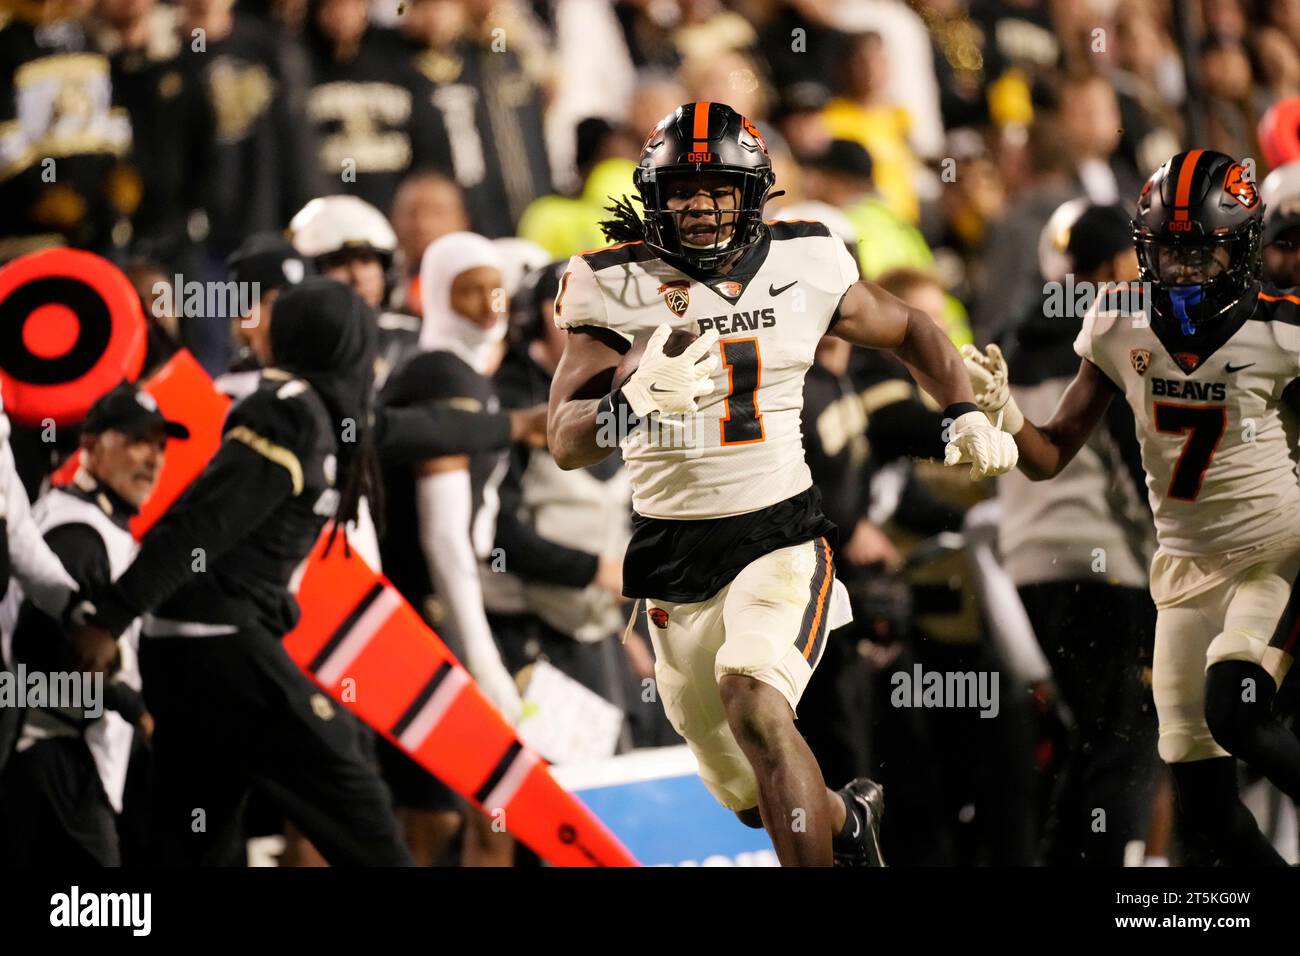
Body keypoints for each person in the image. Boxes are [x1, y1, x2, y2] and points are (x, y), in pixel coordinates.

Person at [546, 102, 1017, 867]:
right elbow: (564, 439)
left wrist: (961, 410)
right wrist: (628, 407)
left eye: (717, 188)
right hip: (670, 555)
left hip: (779, 530)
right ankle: (844, 816)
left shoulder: (809, 260)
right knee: (747, 798)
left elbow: (912, 328)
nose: (698, 206)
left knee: (755, 700)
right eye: (681, 190)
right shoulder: (614, 283)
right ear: (653, 196)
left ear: (754, 191)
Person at [961, 150, 1300, 866]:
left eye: (1199, 250)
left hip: (1272, 558)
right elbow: (1050, 453)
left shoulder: (1283, 329)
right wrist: (1001, 420)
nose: (1181, 269)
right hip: (1181, 574)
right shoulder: (1118, 323)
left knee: (1237, 708)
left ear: (1237, 249)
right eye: (1168, 250)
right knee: (1204, 811)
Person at [66, 279, 415, 866]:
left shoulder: (323, 415)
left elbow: (419, 429)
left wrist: (515, 425)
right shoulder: (290, 412)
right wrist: (110, 618)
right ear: (350, 344)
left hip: (194, 654)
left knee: (196, 844)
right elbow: (201, 525)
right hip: (219, 649)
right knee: (361, 806)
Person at [995, 202, 1159, 865]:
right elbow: (1134, 467)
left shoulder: (1013, 336)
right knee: (1127, 739)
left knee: (1088, 737)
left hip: (1029, 564)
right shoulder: (1112, 331)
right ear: (1118, 262)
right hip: (1106, 565)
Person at [378, 232, 525, 866]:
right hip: (427, 613)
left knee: (483, 809)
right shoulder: (438, 372)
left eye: (495, 287)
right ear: (436, 292)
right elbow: (442, 531)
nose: (489, 303)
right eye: (469, 288)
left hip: (445, 607)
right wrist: (482, 657)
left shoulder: (459, 371)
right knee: (436, 810)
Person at [0, 384, 184, 866]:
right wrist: (132, 708)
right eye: (137, 441)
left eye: (161, 446)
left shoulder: (89, 518)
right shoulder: (80, 533)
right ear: (91, 444)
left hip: (60, 756)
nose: (153, 459)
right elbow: (39, 656)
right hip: (54, 755)